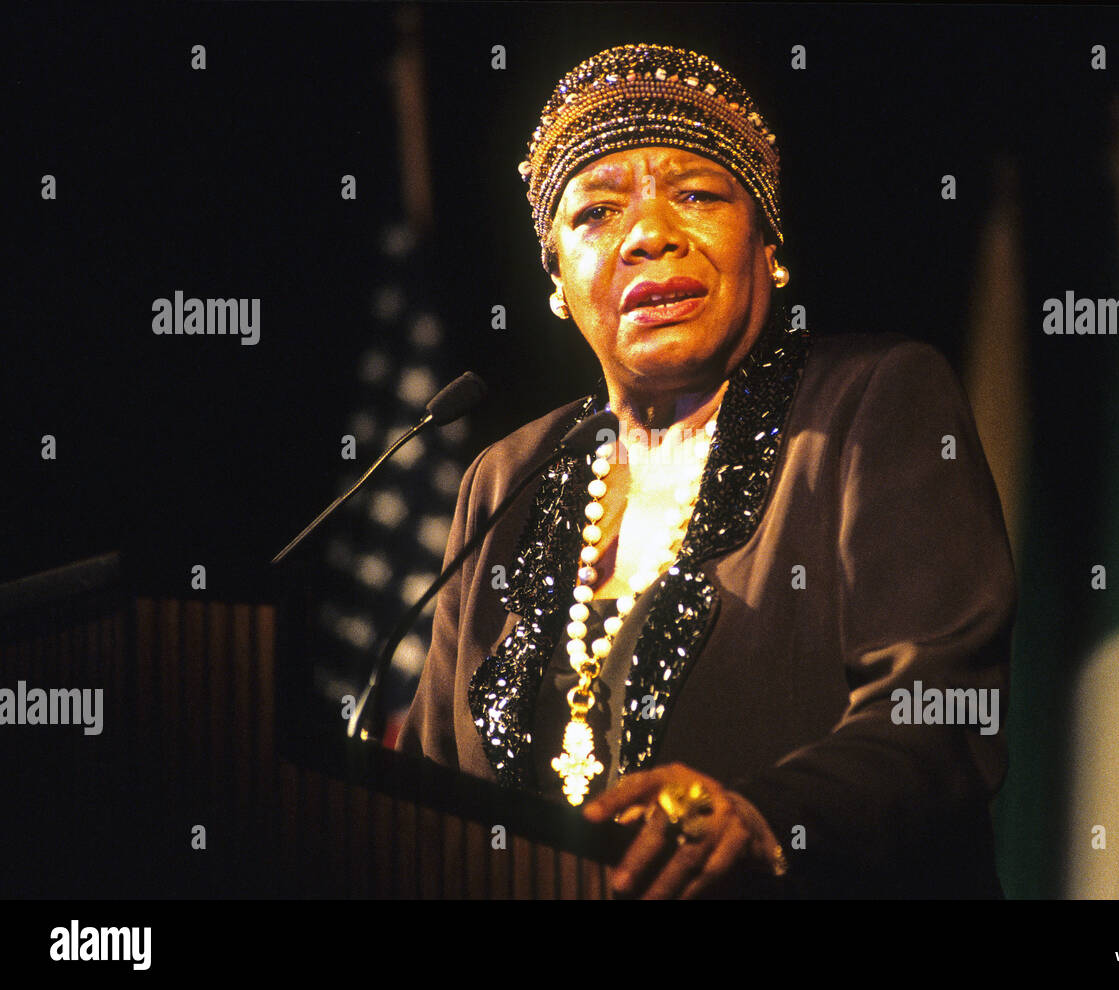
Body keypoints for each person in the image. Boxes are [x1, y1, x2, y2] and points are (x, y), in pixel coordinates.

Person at [398, 42, 1016, 898]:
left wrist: (763, 817)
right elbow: (430, 797)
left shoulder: (872, 400)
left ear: (766, 243)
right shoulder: (506, 480)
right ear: (555, 278)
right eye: (596, 213)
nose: (650, 233)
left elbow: (943, 711)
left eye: (696, 195)